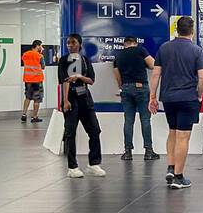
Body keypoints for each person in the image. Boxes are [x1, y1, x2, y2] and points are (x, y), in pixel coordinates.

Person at [154, 17, 203, 188]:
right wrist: (199, 95)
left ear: (177, 30)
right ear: (192, 31)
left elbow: (156, 75)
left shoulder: (164, 48)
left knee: (172, 131)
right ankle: (178, 177)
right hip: (188, 98)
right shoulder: (196, 50)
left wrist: (152, 98)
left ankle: (171, 167)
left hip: (168, 98)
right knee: (183, 136)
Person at [58, 33, 105, 179]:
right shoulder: (64, 60)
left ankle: (94, 163)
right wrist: (65, 101)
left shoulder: (85, 60)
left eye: (73, 43)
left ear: (79, 44)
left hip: (85, 97)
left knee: (94, 130)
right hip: (71, 98)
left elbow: (91, 80)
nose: (70, 45)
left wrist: (79, 77)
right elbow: (63, 81)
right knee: (71, 132)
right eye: (68, 43)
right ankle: (72, 166)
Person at [114, 36, 159, 164]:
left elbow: (117, 76)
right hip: (141, 87)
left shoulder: (118, 56)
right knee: (145, 119)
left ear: (125, 44)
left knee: (128, 120)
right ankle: (149, 151)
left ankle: (127, 152)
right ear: (135, 43)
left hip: (126, 89)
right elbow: (153, 65)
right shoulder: (140, 50)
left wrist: (123, 87)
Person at [20, 40, 45, 124]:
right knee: (36, 99)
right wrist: (41, 53)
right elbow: (43, 67)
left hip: (28, 80)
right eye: (41, 46)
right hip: (37, 80)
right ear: (37, 46)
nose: (42, 47)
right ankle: (34, 117)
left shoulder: (25, 54)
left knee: (27, 97)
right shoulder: (40, 56)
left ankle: (24, 114)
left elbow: (25, 62)